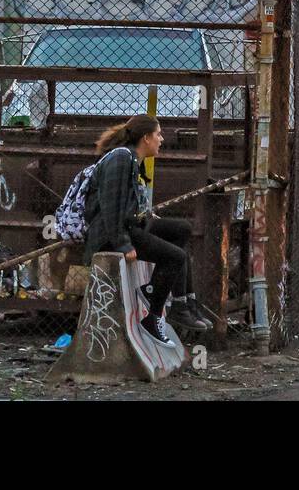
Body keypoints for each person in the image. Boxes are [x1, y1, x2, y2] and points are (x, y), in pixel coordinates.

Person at [82, 114, 211, 344]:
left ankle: (184, 302)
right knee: (176, 257)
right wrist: (123, 244)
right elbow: (110, 206)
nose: (161, 139)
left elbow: (128, 203)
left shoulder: (132, 159)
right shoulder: (121, 158)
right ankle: (153, 317)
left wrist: (146, 216)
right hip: (109, 236)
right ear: (146, 138)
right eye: (158, 134)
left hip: (129, 227)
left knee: (181, 229)